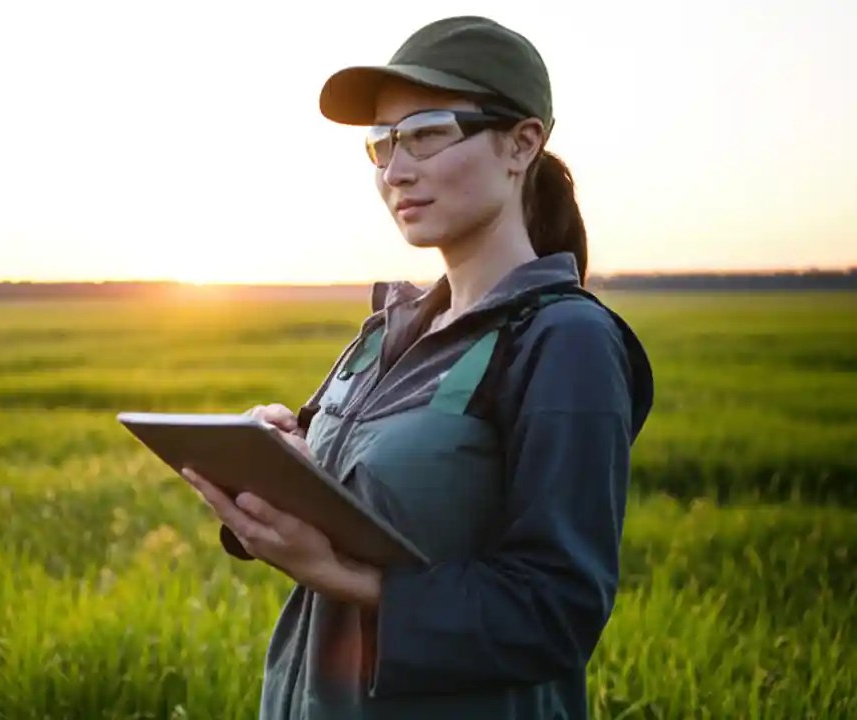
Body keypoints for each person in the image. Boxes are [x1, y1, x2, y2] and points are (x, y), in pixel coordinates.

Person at [179, 15, 656, 720]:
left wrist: (351, 578)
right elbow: (351, 499)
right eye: (383, 143)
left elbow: (557, 611)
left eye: (428, 132)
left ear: (522, 143)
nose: (395, 170)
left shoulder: (565, 341)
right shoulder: (384, 333)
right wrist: (274, 461)